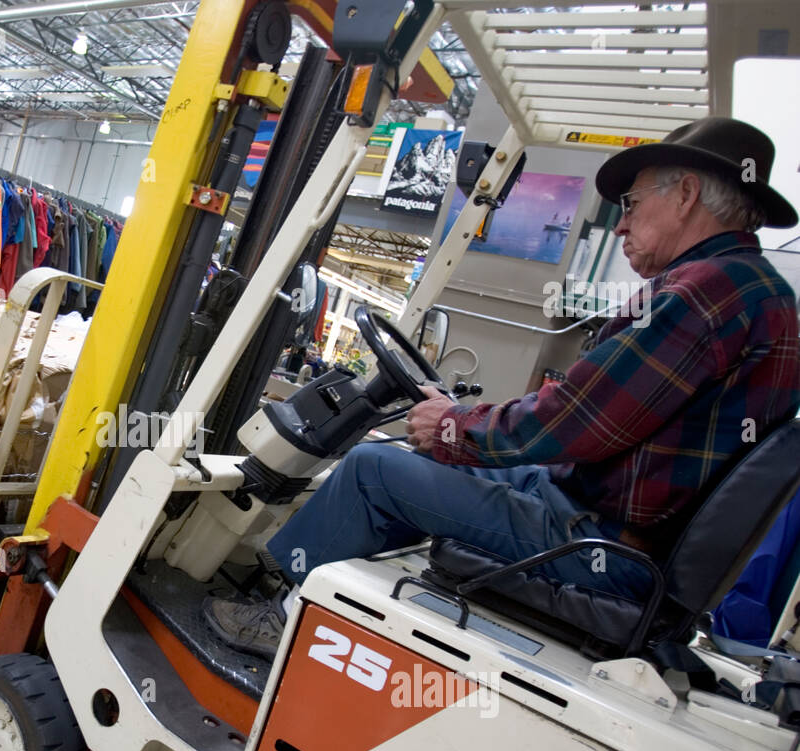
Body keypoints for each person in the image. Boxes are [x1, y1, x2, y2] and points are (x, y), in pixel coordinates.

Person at [204, 117, 800, 659]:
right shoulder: (761, 293)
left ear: (687, 194)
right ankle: (341, 596)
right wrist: (458, 431)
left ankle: (283, 615)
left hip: (602, 545)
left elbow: (572, 421)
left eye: (633, 202)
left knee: (370, 468)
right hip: (612, 526)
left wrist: (452, 425)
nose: (620, 222)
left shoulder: (699, 293)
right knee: (427, 460)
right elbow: (592, 421)